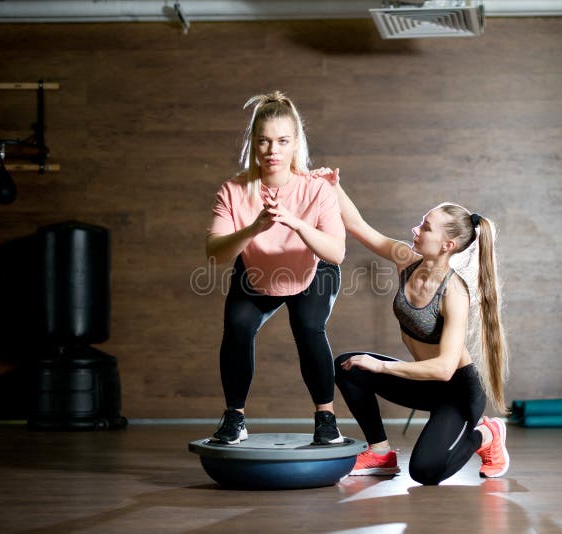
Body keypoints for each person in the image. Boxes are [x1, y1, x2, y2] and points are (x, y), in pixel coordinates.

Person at [312, 167, 510, 484]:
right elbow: (361, 228)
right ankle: (380, 452)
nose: (416, 229)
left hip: (457, 393)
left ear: (448, 244)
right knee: (348, 366)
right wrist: (334, 186)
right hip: (425, 385)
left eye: (426, 227)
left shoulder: (454, 292)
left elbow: (445, 368)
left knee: (425, 471)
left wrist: (382, 367)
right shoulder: (407, 258)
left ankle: (486, 435)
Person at [205, 92, 346, 446]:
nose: (273, 150)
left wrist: (296, 223)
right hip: (257, 271)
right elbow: (216, 252)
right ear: (253, 143)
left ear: (295, 143)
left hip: (311, 269)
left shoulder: (317, 189)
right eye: (264, 141)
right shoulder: (234, 190)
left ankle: (326, 417)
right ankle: (234, 418)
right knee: (236, 326)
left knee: (308, 325)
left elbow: (337, 252)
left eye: (282, 141)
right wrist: (255, 227)